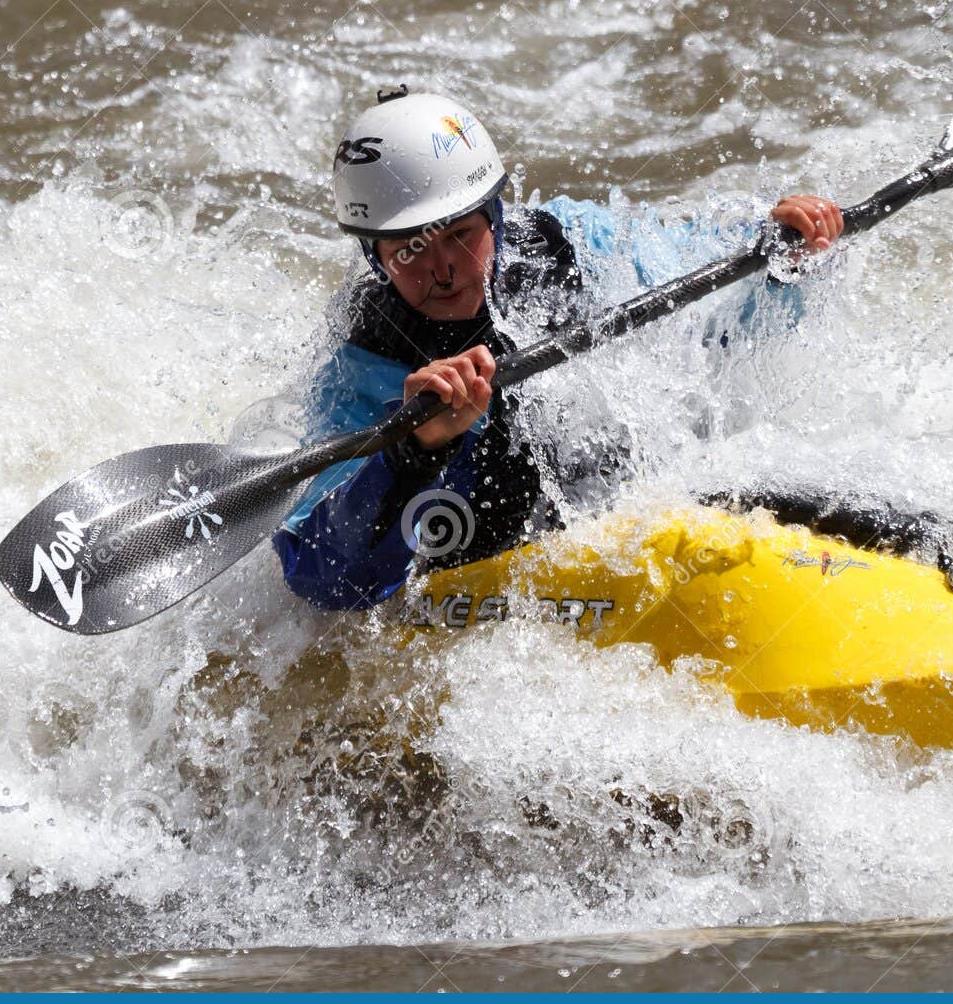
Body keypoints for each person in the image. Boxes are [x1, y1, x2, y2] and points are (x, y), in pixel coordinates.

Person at [273, 86, 844, 611]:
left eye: (461, 236)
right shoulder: (362, 363)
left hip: (606, 503)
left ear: (495, 215)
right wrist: (413, 449)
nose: (443, 269)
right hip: (480, 570)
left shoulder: (565, 244)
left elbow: (710, 302)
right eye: (408, 251)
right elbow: (323, 578)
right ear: (375, 255)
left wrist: (781, 259)